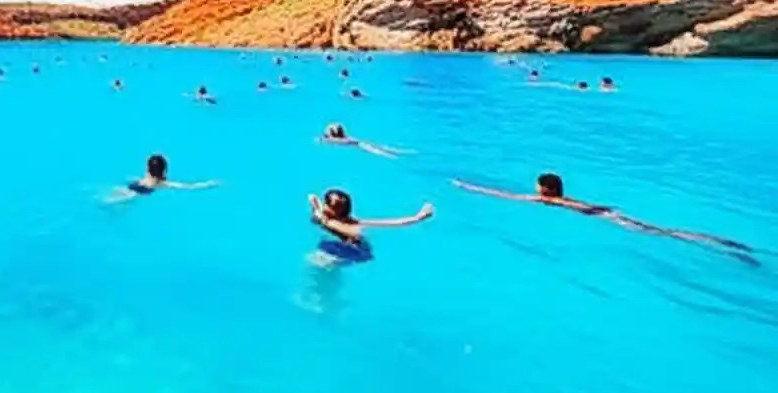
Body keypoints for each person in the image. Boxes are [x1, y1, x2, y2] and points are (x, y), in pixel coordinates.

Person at [452, 175, 753, 253]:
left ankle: (719, 246)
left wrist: (468, 187)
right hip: (607, 212)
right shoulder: (566, 197)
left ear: (545, 189)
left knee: (665, 234)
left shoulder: (550, 202)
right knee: (665, 230)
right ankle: (723, 242)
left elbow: (507, 196)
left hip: (602, 217)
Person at [308, 189, 433, 261]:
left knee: (317, 257)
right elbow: (312, 197)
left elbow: (389, 224)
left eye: (328, 204)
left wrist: (417, 218)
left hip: (355, 252)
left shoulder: (349, 225)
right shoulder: (325, 215)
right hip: (351, 249)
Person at [107, 154, 219, 202]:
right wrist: (209, 184)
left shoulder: (145, 176)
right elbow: (189, 187)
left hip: (134, 185)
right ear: (164, 170)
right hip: (143, 191)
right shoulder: (161, 184)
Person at [319, 123, 403, 158]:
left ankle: (395, 157)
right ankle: (399, 153)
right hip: (361, 142)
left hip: (359, 145)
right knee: (384, 149)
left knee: (382, 153)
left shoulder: (331, 140)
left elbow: (323, 140)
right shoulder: (347, 137)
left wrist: (322, 139)